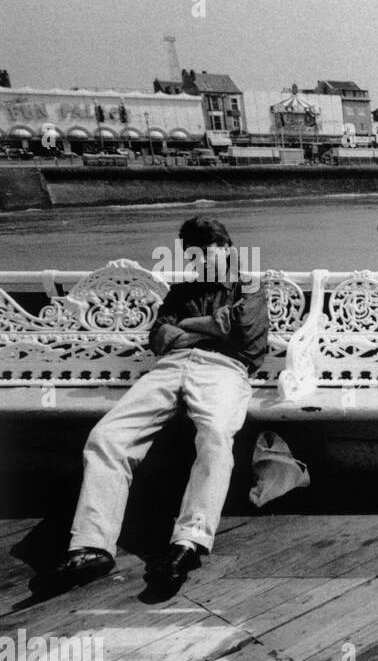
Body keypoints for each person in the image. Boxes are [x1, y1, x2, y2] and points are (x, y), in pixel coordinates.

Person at [32, 216, 269, 598]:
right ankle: (91, 547)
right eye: (193, 256)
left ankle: (188, 543)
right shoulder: (179, 291)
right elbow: (160, 338)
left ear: (227, 249)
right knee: (107, 436)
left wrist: (189, 326)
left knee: (214, 436)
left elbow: (238, 329)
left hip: (225, 370)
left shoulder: (250, 285)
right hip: (170, 366)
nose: (199, 263)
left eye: (206, 253)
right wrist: (205, 326)